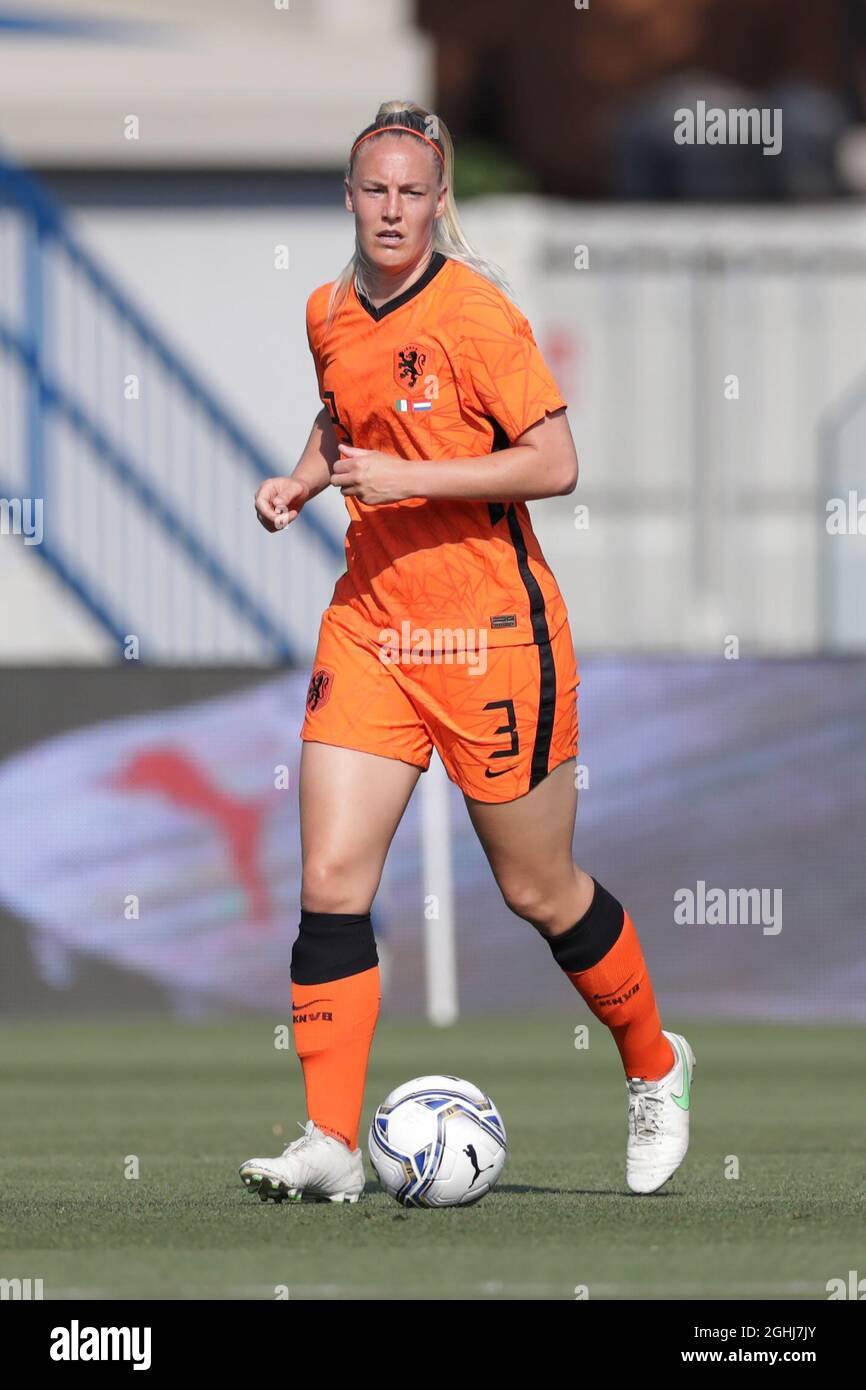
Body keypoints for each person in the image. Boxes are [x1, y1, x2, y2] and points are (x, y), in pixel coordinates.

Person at [239, 101, 694, 1203]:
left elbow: (553, 462)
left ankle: (652, 1064)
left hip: (494, 638)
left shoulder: (477, 314)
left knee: (537, 890)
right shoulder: (327, 309)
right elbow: (341, 409)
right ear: (348, 198)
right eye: (372, 189)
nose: (391, 208)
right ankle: (330, 1141)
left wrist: (413, 480)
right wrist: (307, 475)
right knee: (330, 880)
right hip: (373, 628)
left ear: (439, 203)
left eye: (411, 191)